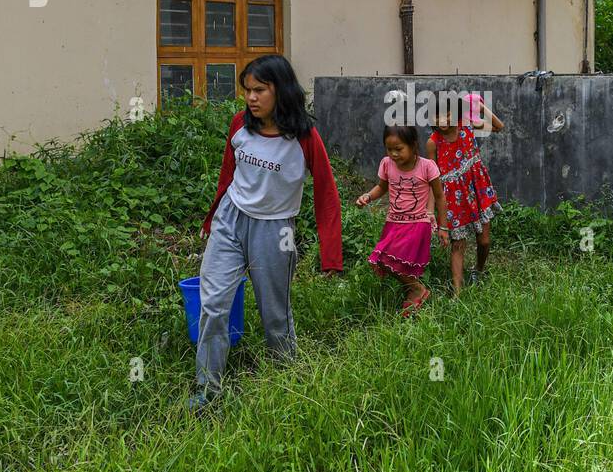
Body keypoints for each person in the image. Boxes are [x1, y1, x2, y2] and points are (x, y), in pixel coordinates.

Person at [192, 54, 343, 412]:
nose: (251, 97)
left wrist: (331, 255)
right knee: (212, 305)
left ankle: (285, 384)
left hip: (276, 231)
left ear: (281, 90)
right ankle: (207, 389)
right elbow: (227, 175)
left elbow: (326, 191)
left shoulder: (304, 138)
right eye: (247, 90)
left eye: (260, 90)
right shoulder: (239, 126)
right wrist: (212, 218)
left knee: (274, 313)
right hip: (232, 219)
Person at [356, 126, 448, 316]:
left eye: (399, 149)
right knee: (383, 259)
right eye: (389, 150)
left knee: (387, 257)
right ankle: (413, 288)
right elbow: (381, 187)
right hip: (394, 222)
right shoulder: (386, 164)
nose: (394, 154)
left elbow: (440, 197)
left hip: (417, 223)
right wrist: (367, 196)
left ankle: (417, 289)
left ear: (413, 146)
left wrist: (443, 226)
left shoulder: (427, 166)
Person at [427, 94, 503, 295]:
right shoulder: (433, 142)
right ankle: (457, 293)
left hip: (477, 190)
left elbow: (498, 127)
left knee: (484, 241)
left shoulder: (467, 126)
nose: (442, 120)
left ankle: (478, 270)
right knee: (458, 245)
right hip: (453, 199)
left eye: (447, 114)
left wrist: (480, 107)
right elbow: (433, 178)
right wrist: (430, 210)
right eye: (437, 116)